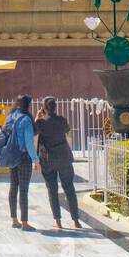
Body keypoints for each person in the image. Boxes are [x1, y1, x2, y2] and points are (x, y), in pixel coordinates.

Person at [35, 97, 81, 230]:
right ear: (55, 107)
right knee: (69, 188)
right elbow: (67, 130)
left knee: (52, 190)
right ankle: (76, 220)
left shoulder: (41, 123)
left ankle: (58, 221)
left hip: (48, 161)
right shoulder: (61, 120)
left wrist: (37, 118)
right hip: (64, 158)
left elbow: (33, 131)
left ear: (43, 108)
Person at [4, 94, 39, 229]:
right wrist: (36, 160)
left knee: (13, 188)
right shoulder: (25, 120)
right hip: (24, 157)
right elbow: (29, 143)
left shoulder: (10, 117)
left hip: (12, 156)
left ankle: (14, 220)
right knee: (23, 190)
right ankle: (25, 222)